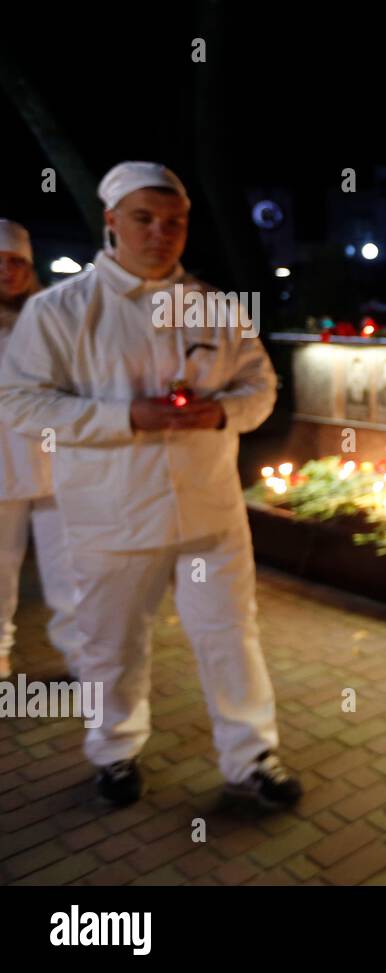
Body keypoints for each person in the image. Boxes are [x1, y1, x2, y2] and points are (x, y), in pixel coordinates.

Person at [0, 162, 301, 809]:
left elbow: (261, 386)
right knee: (111, 642)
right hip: (113, 514)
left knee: (230, 634)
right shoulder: (60, 311)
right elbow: (20, 402)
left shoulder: (216, 307)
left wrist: (223, 412)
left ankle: (252, 756)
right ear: (111, 221)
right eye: (144, 219)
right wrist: (125, 417)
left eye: (175, 222)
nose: (161, 234)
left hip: (210, 510)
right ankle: (115, 750)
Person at [0, 220, 82, 681]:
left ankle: (81, 657)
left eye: (17, 262)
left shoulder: (52, 317)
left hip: (54, 461)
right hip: (0, 462)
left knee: (67, 567)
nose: (8, 271)